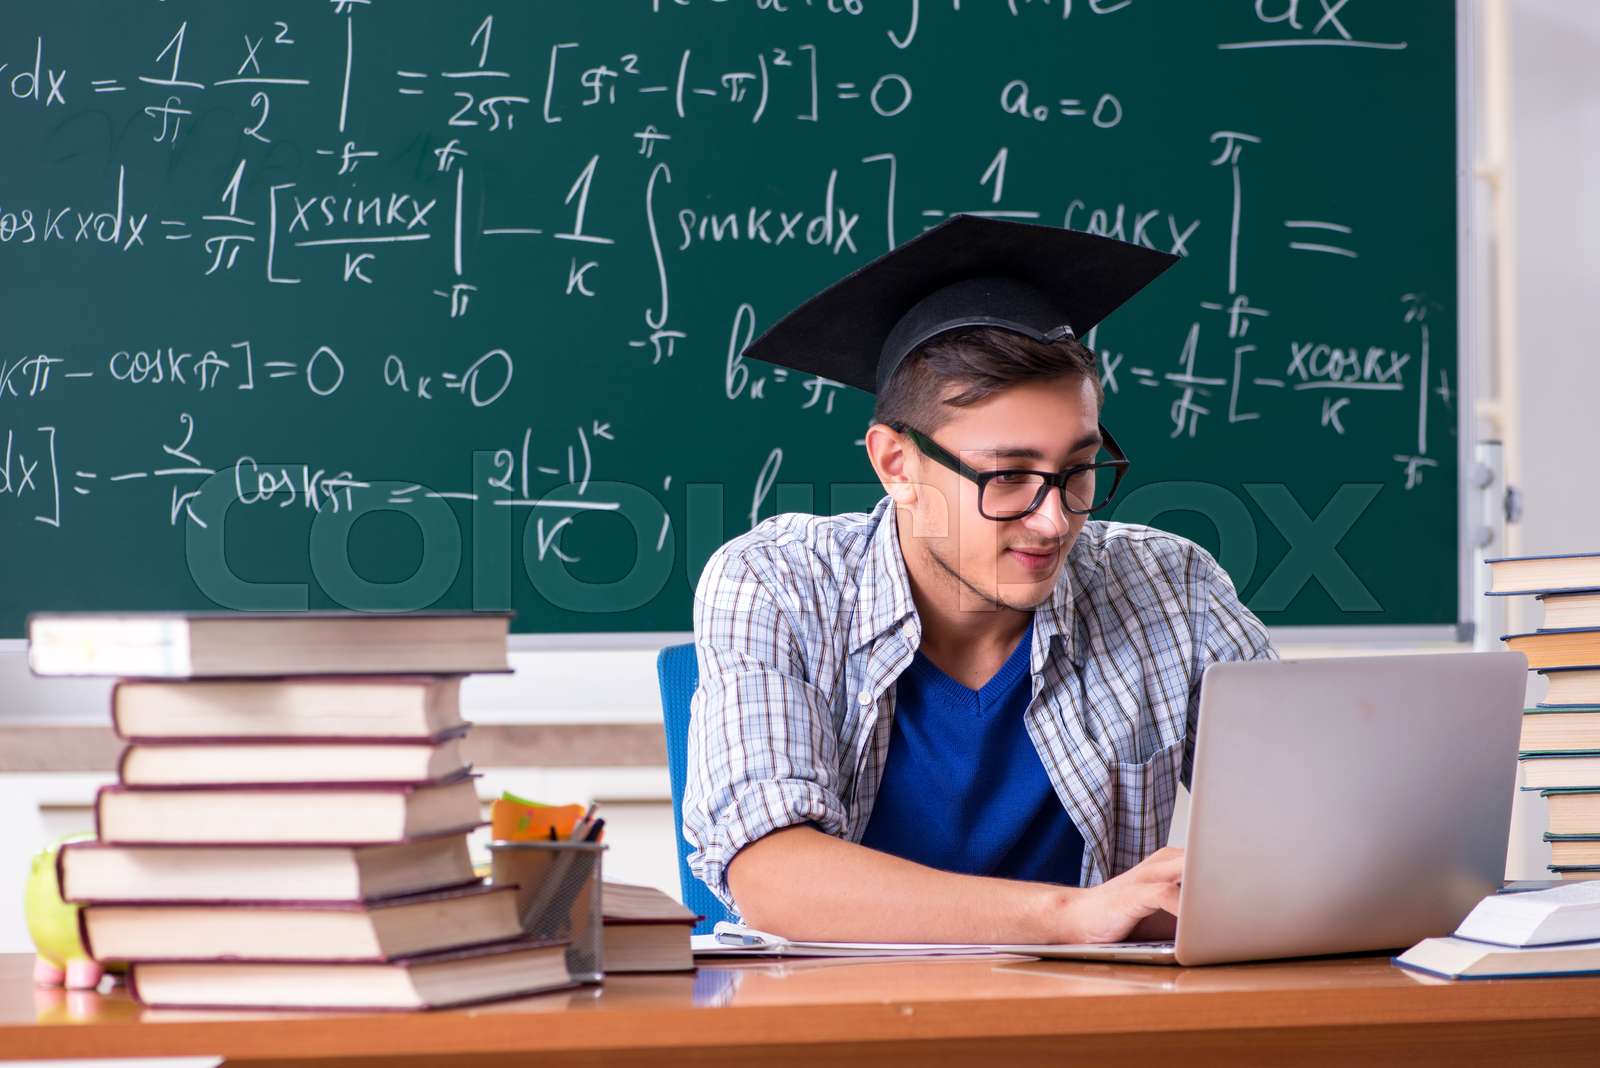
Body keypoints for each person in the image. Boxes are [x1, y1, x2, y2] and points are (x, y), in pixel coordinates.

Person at [682, 215, 1276, 944]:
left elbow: (1303, 821)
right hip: (837, 1018)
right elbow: (775, 877)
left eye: (1078, 469)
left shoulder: (1168, 584)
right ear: (897, 464)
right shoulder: (775, 583)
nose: (1054, 521)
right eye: (1008, 476)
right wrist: (1073, 917)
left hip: (1085, 1025)